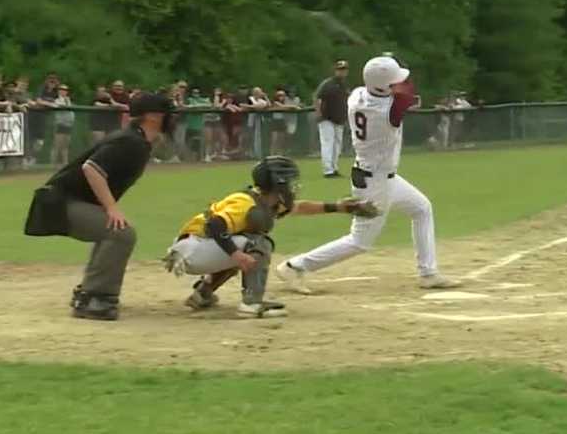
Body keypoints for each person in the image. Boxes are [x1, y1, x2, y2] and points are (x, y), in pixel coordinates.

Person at [275, 55, 459, 293]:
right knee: (360, 241)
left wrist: (387, 70)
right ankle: (295, 266)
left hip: (378, 175)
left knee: (422, 208)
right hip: (376, 182)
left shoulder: (358, 94)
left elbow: (391, 86)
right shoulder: (388, 110)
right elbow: (407, 91)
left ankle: (428, 273)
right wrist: (395, 66)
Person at [161, 156, 379, 318]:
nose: (293, 186)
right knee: (257, 244)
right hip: (192, 250)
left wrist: (340, 207)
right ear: (278, 183)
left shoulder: (264, 201)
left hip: (196, 248)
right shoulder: (246, 202)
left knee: (244, 245)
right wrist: (236, 255)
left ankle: (203, 294)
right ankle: (251, 304)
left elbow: (300, 208)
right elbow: (215, 224)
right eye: (289, 181)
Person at [22, 93, 176, 321]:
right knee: (121, 233)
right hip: (59, 202)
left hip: (67, 200)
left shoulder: (138, 140)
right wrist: (111, 208)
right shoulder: (130, 141)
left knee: (113, 231)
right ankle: (96, 298)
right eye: (167, 114)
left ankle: (89, 292)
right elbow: (92, 168)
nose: (172, 119)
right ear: (153, 117)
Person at [315, 60, 350, 177]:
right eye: (340, 70)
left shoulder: (344, 85)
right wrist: (319, 114)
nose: (342, 72)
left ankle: (334, 167)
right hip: (326, 118)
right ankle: (328, 170)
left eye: (344, 70)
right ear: (335, 71)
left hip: (339, 119)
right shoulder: (328, 84)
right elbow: (317, 98)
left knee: (337, 145)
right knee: (328, 143)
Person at [51, 84, 75, 166]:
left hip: (69, 125)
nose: (63, 91)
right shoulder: (57, 100)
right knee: (57, 145)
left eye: (65, 90)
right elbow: (62, 106)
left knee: (66, 146)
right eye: (61, 90)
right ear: (59, 91)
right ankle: (53, 163)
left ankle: (65, 163)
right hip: (60, 124)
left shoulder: (69, 100)